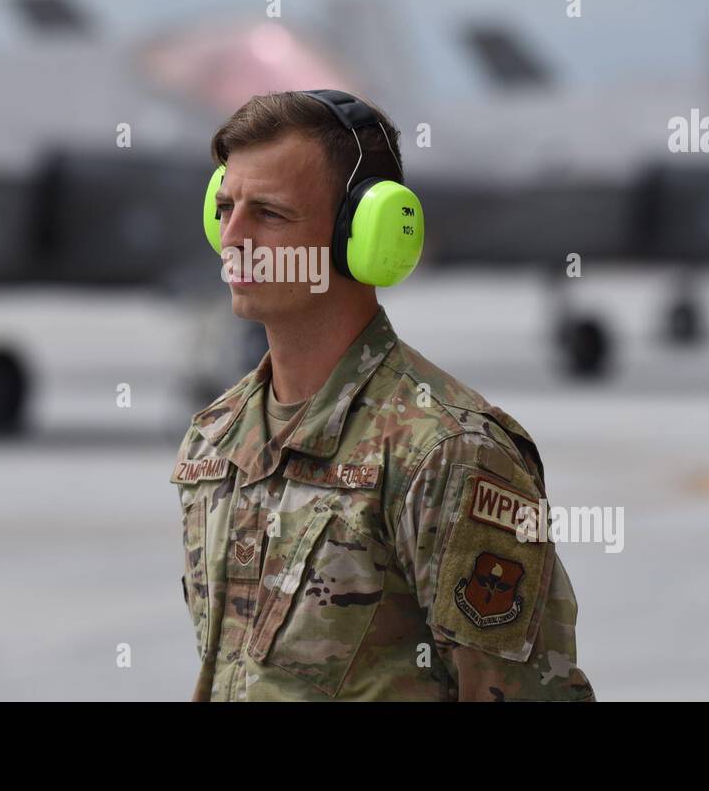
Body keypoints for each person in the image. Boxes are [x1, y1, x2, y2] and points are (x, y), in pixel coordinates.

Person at [171, 89, 595, 701]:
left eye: (269, 213)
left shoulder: (447, 452)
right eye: (225, 208)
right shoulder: (216, 439)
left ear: (361, 235)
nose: (233, 237)